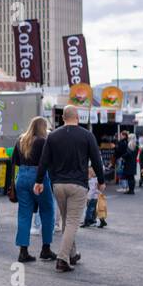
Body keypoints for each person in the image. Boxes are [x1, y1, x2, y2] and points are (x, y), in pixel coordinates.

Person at [34, 105, 104, 273]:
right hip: (78, 184)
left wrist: (39, 181)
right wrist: (101, 181)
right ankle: (62, 259)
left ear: (63, 118)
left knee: (67, 219)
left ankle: (72, 254)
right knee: (72, 222)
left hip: (58, 185)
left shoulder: (53, 136)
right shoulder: (87, 136)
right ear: (77, 117)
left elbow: (44, 160)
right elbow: (96, 160)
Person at [12, 116, 55, 263]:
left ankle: (23, 251)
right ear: (42, 127)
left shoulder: (21, 140)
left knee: (24, 214)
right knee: (47, 211)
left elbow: (15, 161)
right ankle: (46, 249)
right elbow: (48, 162)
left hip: (22, 176)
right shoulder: (43, 141)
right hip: (38, 177)